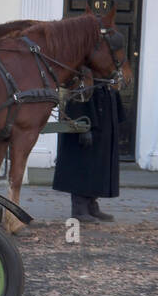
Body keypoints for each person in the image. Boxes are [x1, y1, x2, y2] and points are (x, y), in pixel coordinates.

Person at [52, 83, 127, 222]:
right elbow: (77, 97)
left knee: (98, 166)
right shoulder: (84, 76)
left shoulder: (106, 78)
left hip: (102, 125)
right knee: (83, 165)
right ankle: (79, 209)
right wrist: (82, 127)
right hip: (88, 126)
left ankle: (92, 205)